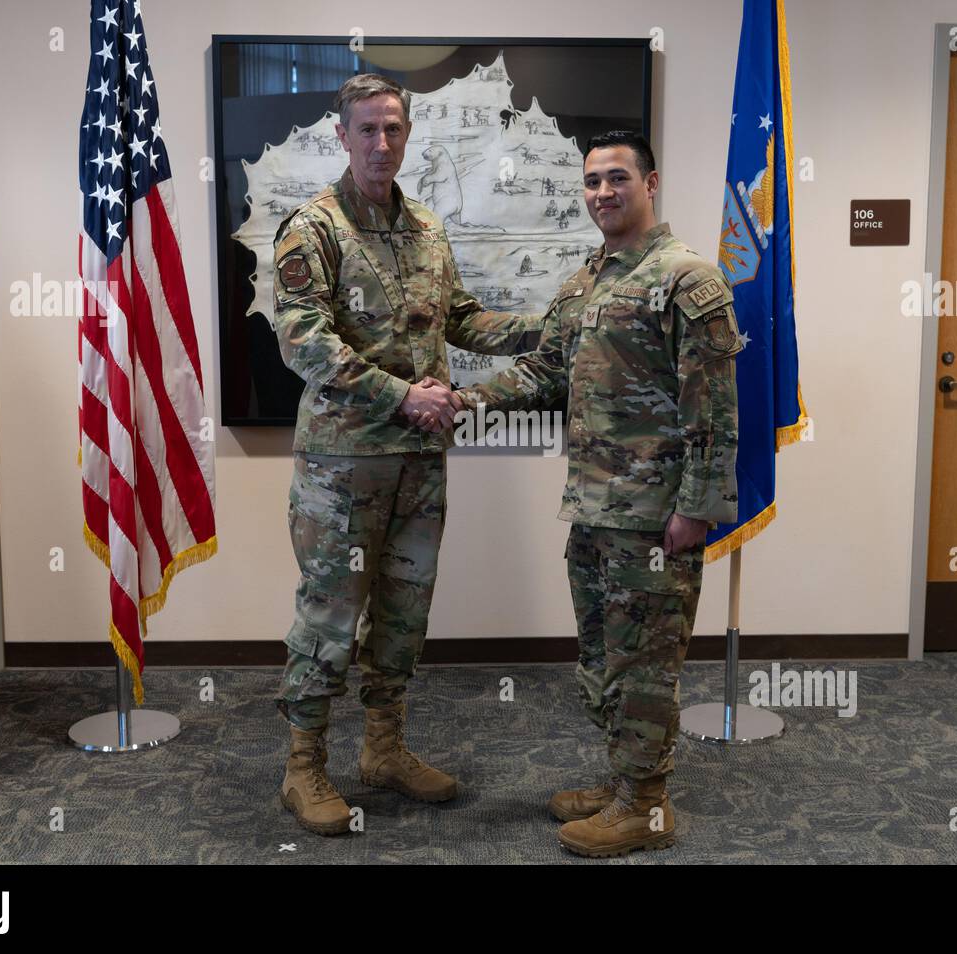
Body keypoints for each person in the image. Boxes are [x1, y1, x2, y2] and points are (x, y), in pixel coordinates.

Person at [450, 131, 743, 856]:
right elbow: (545, 371)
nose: (603, 193)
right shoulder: (589, 282)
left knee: (646, 662)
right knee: (604, 658)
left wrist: (696, 506)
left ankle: (646, 806)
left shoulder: (687, 280)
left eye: (618, 178)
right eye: (591, 182)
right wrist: (464, 400)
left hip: (652, 517)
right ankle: (625, 782)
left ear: (652, 182)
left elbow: (714, 409)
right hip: (593, 507)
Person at [271, 74, 541, 835]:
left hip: (419, 465)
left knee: (403, 614)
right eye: (367, 129)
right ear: (342, 135)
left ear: (407, 132)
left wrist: (541, 325)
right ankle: (304, 767)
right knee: (329, 617)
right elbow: (305, 342)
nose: (381, 143)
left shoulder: (425, 225)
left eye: (393, 128)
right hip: (344, 468)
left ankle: (384, 749)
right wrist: (401, 396)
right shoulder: (313, 229)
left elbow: (457, 317)